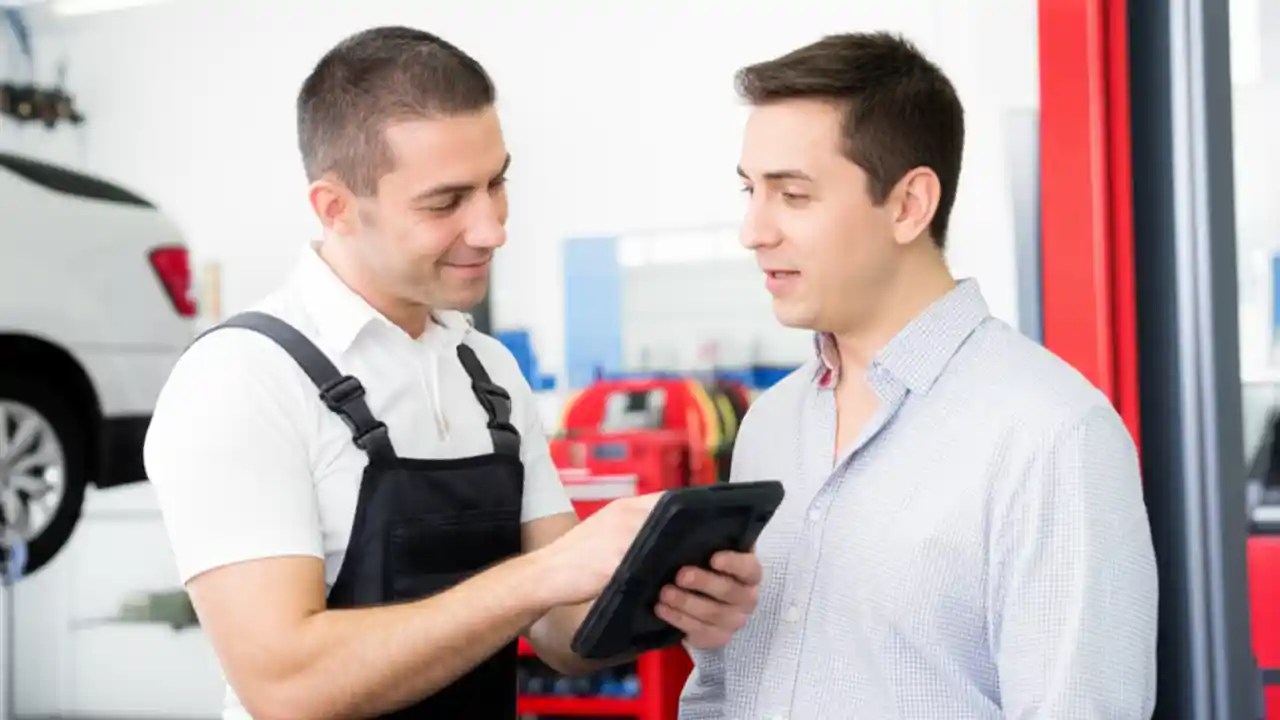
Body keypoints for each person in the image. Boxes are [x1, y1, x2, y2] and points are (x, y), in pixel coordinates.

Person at [143, 26, 762, 720]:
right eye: (445, 202)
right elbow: (287, 687)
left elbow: (562, 634)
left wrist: (665, 595)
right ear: (335, 208)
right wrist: (539, 576)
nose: (492, 228)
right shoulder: (241, 380)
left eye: (497, 183)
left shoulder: (486, 371)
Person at [679, 32, 1158, 719]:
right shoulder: (771, 425)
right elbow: (722, 689)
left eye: (793, 195)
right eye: (750, 190)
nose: (753, 230)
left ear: (908, 205)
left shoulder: (1050, 436)